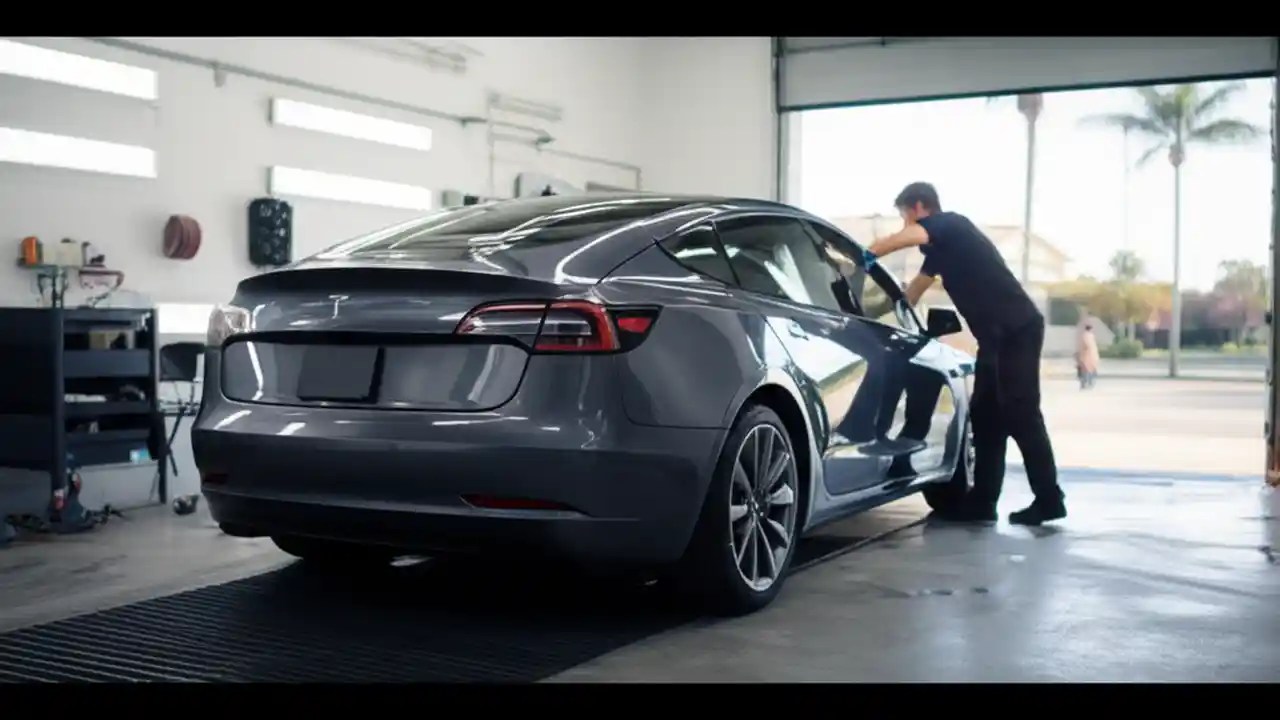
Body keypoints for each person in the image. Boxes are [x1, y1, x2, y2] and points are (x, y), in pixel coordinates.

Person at [864, 182, 1067, 526]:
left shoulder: (951, 225)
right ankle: (983, 503)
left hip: (1016, 330)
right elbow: (912, 293)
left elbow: (907, 237)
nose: (904, 226)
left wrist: (864, 255)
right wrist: (880, 313)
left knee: (1021, 413)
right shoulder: (941, 251)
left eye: (904, 218)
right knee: (986, 417)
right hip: (995, 340)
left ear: (918, 207)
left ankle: (1049, 499)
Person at [1077, 324, 1100, 390]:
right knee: (1089, 370)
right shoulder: (1090, 336)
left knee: (1085, 370)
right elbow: (1088, 346)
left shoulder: (1085, 336)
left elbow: (1084, 346)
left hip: (1086, 356)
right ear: (1090, 329)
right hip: (1090, 356)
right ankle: (1089, 383)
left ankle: (1085, 383)